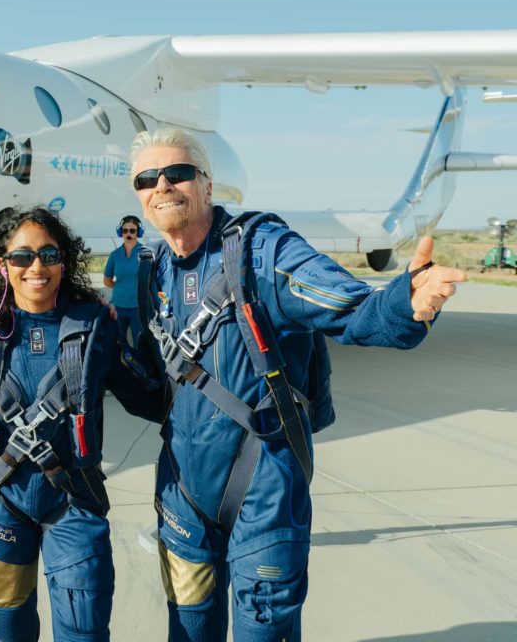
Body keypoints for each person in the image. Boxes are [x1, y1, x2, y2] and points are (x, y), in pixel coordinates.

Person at [125, 129, 466, 642]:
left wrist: (402, 304)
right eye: (148, 178)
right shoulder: (155, 272)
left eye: (178, 173)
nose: (163, 185)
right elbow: (160, 385)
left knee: (266, 633)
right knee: (188, 630)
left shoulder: (261, 251)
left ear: (208, 185)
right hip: (183, 495)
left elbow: (347, 306)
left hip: (263, 490)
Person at [0, 205, 154, 642]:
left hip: (74, 502)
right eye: (22, 256)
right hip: (1, 500)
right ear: (2, 265)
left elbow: (149, 398)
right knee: (5, 631)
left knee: (84, 632)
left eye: (49, 255)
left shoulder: (95, 329)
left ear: (64, 263)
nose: (36, 267)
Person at [103, 214, 145, 343]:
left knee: (140, 343)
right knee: (117, 343)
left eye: (132, 231)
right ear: (121, 232)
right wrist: (122, 287)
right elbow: (107, 280)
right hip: (117, 307)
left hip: (138, 308)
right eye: (125, 230)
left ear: (138, 232)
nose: (128, 234)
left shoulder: (146, 253)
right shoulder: (114, 255)